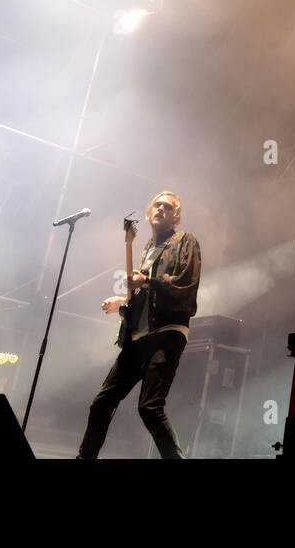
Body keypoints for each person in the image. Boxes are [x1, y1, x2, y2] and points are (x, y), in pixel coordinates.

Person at [77, 191, 201, 459]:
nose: (161, 209)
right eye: (157, 205)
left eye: (168, 207)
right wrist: (122, 302)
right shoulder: (146, 249)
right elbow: (145, 297)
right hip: (139, 337)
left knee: (150, 407)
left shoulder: (184, 241)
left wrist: (144, 280)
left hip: (167, 333)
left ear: (175, 216)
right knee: (102, 403)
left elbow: (184, 284)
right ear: (148, 212)